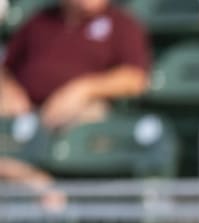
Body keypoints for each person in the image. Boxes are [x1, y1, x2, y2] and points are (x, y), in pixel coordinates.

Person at [0, 0, 151, 129]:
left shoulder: (121, 24)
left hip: (79, 109)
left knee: (89, 116)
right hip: (22, 110)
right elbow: (5, 68)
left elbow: (135, 78)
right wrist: (10, 91)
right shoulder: (40, 20)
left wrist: (83, 90)